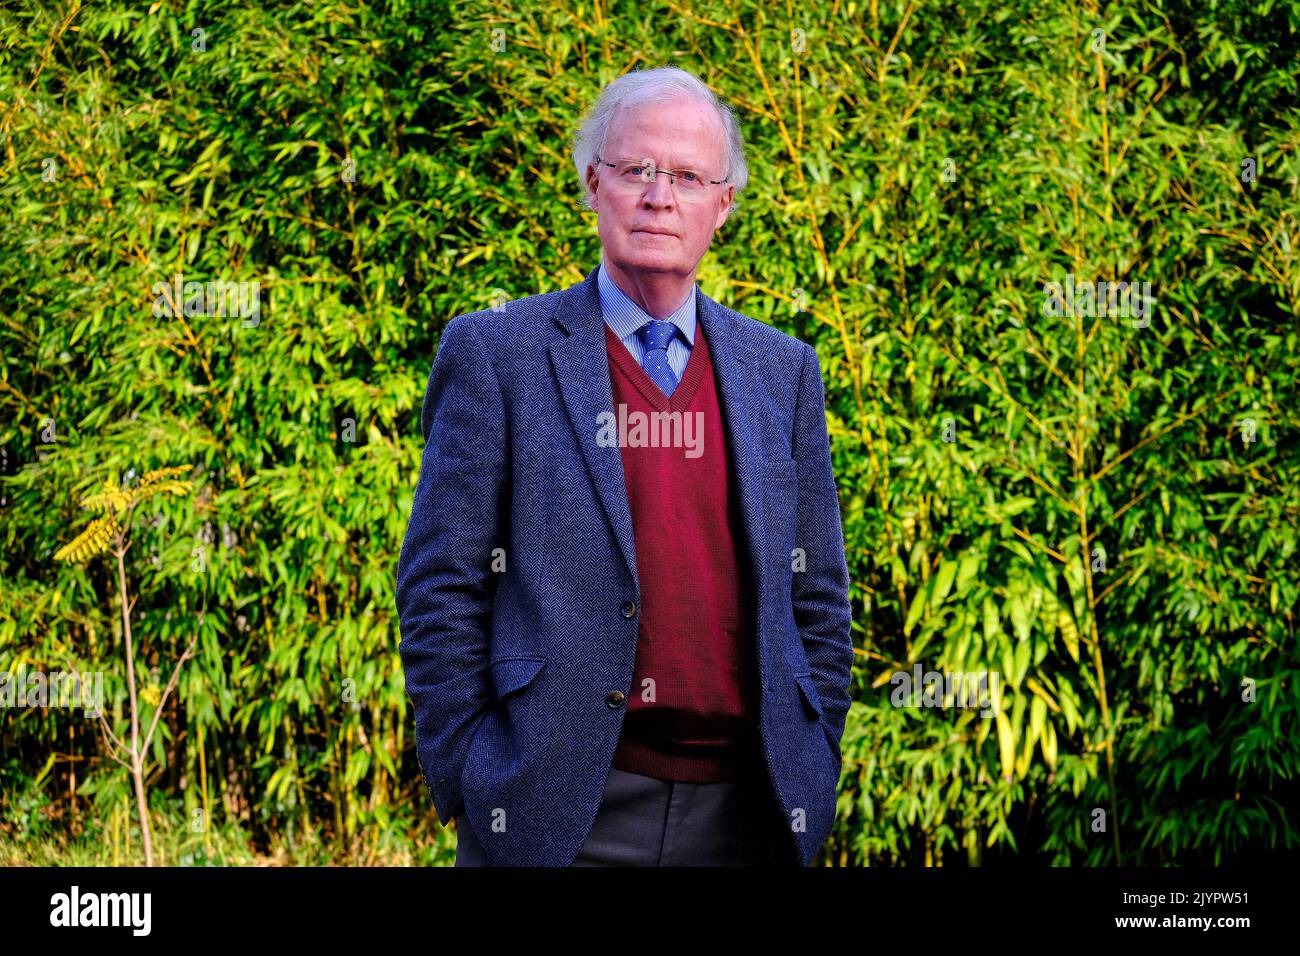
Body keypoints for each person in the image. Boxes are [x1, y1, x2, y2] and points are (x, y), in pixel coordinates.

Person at [396, 65, 853, 866]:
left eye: (686, 176)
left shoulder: (782, 372)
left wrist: (816, 755)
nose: (659, 196)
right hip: (559, 808)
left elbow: (816, 595)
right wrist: (474, 772)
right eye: (638, 169)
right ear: (592, 182)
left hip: (748, 812)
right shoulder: (498, 353)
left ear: (724, 205)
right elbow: (439, 582)